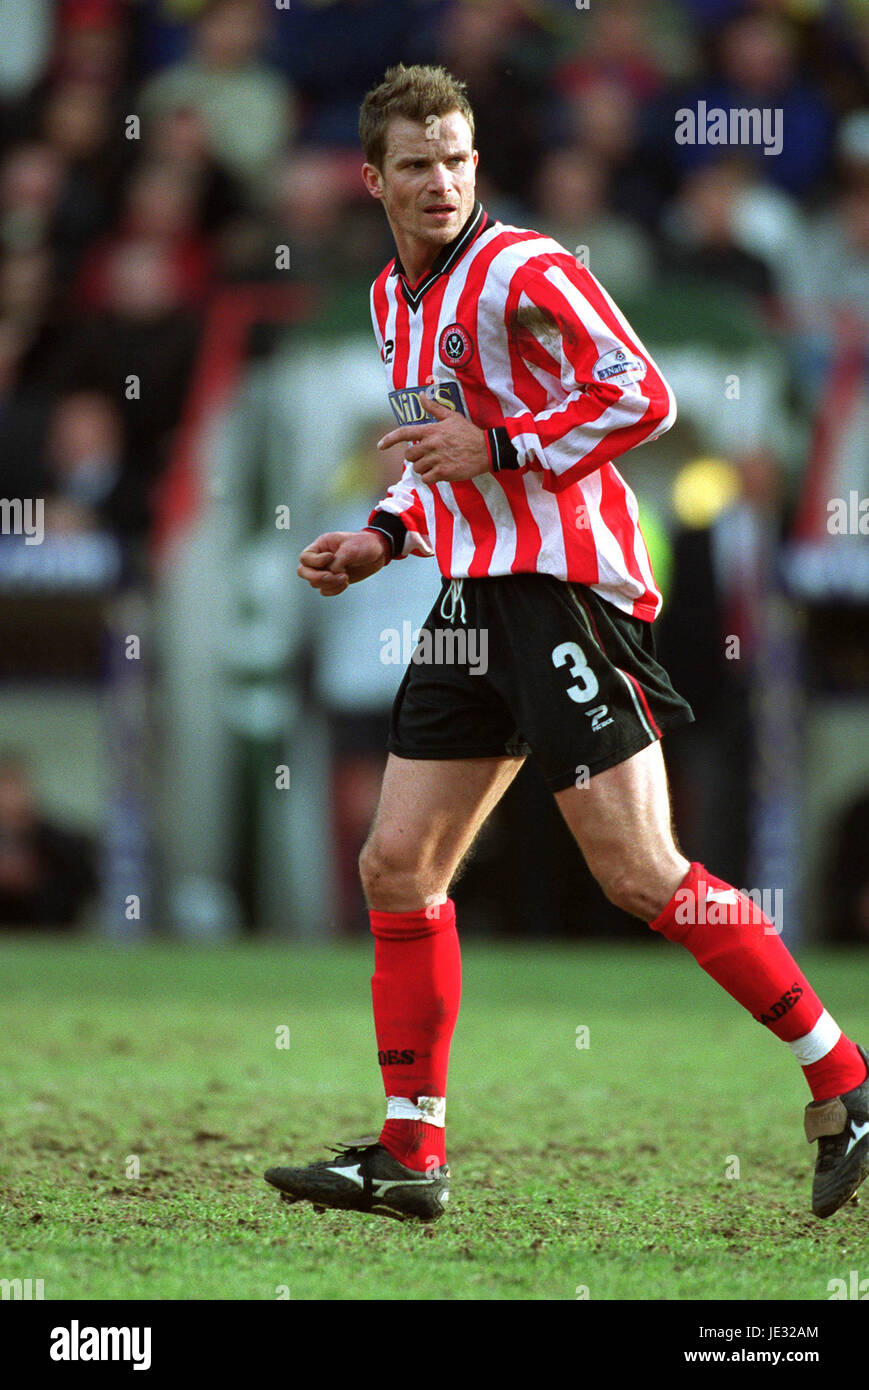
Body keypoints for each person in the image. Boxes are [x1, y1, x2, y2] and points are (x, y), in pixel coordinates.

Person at [265, 65, 868, 1224]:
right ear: (372, 180)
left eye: (454, 159)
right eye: (414, 164)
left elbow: (639, 397)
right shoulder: (397, 300)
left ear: (475, 164)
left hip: (564, 595)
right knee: (397, 866)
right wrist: (383, 537)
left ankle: (843, 1079)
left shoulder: (524, 269)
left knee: (639, 871)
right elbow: (441, 457)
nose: (438, 181)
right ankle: (409, 1152)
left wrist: (496, 442)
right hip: (471, 600)